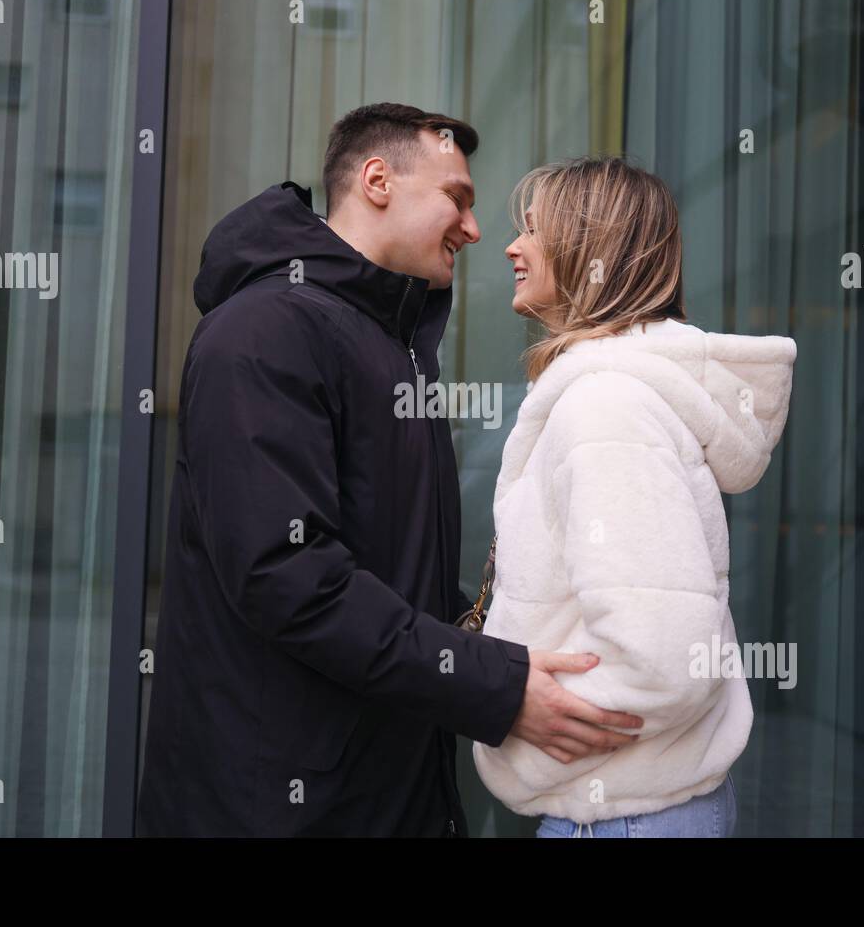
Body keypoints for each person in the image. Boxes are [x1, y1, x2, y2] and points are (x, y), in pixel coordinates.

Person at [135, 104, 643, 837]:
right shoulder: (262, 334)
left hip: (386, 794)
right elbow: (289, 577)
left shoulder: (389, 345)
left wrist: (519, 651)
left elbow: (403, 579)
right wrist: (498, 688)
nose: (474, 231)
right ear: (377, 180)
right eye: (458, 199)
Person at [472, 156, 797, 837]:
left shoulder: (605, 406)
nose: (511, 247)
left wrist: (528, 728)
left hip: (622, 817)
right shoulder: (607, 394)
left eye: (534, 230)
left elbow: (665, 656)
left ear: (591, 250)